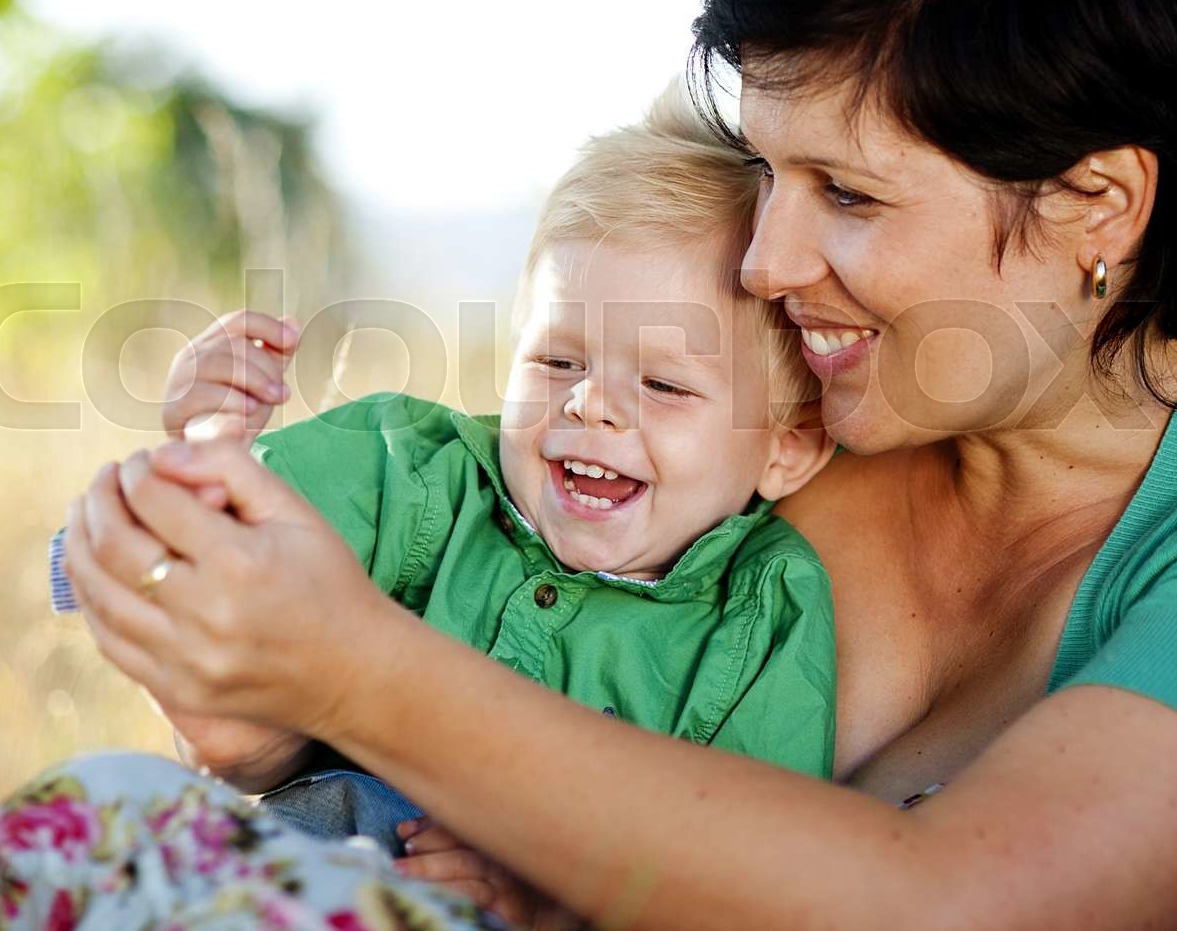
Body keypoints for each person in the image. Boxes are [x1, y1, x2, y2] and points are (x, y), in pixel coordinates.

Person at [0, 0, 1177, 931]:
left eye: (850, 194)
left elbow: (959, 904)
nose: (764, 265)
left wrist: (354, 663)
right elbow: (382, 757)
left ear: (1099, 205)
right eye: (767, 175)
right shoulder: (805, 421)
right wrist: (237, 647)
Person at [43, 92, 838, 853]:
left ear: (786, 447)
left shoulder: (764, 612)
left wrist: (553, 905)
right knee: (109, 797)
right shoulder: (420, 472)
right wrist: (209, 449)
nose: (590, 404)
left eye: (663, 384)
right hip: (313, 863)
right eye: (558, 359)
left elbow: (753, 862)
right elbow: (240, 556)